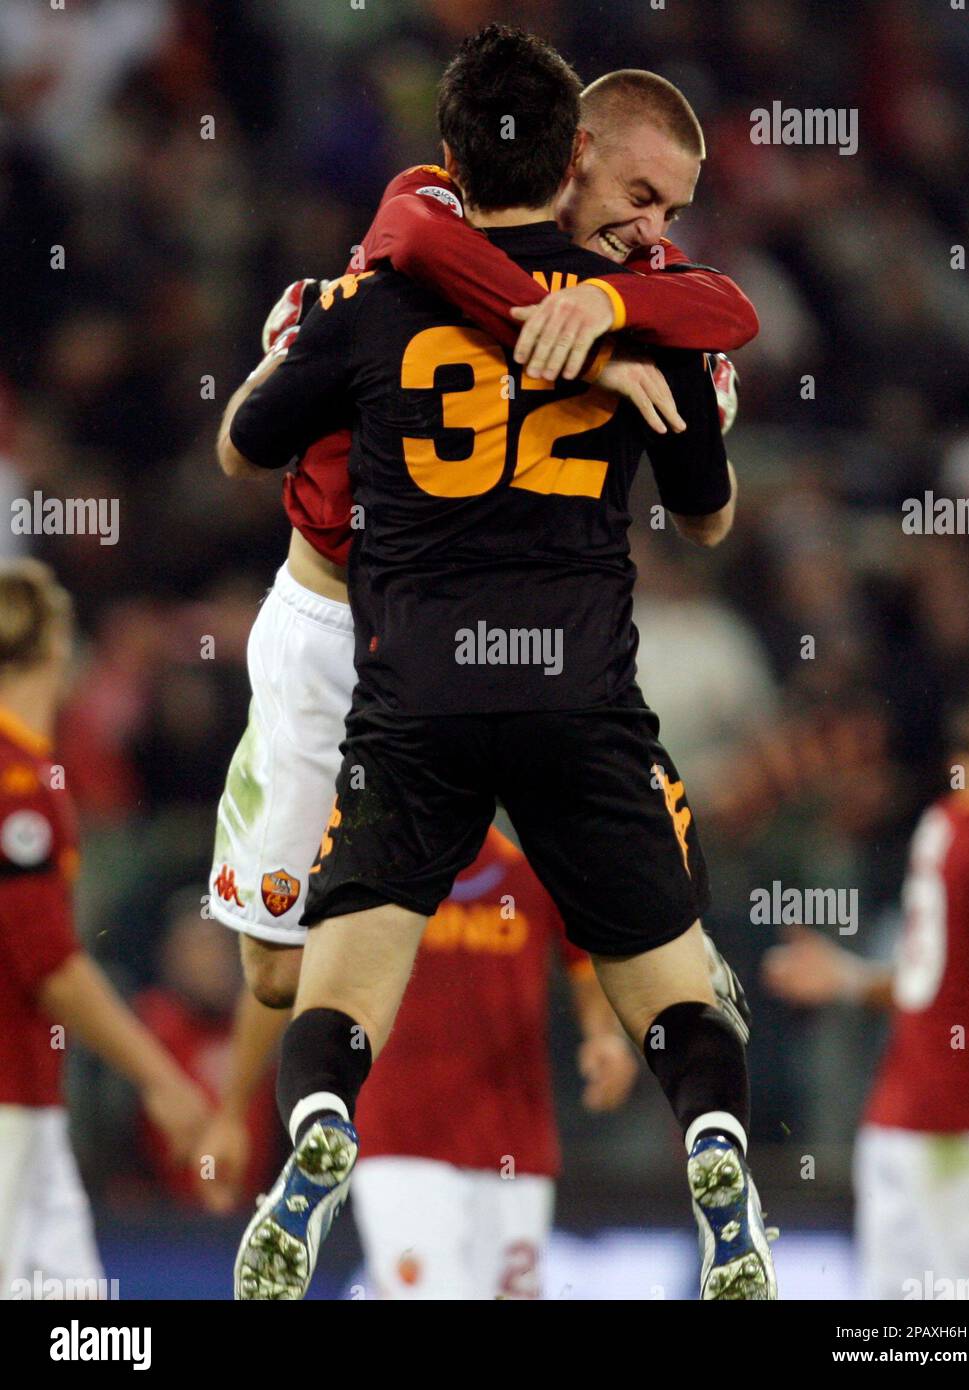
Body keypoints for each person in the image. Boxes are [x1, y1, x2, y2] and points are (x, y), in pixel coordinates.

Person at [220, 25, 776, 1302]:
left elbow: (247, 441)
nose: (653, 233)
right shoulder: (624, 313)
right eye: (642, 203)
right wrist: (631, 349)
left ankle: (318, 1134)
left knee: (327, 994)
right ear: (575, 153)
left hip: (407, 683)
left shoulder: (386, 286)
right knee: (684, 977)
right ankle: (718, 1148)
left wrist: (308, 341)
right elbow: (707, 509)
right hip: (557, 691)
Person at [198, 824, 640, 1298]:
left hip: (516, 1147)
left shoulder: (535, 866)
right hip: (399, 1143)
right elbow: (276, 980)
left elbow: (586, 958)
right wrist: (231, 1112)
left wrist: (604, 1035)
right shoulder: (360, 858)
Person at [763, 682, 969, 1300]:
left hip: (906, 1123)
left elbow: (929, 982)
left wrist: (848, 977)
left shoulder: (943, 824)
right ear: (966, 765)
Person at [0, 558, 209, 1298]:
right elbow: (49, 964)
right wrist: (162, 1078)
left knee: (74, 1311)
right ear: (57, 649)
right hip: (6, 1099)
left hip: (30, 1097)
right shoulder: (19, 779)